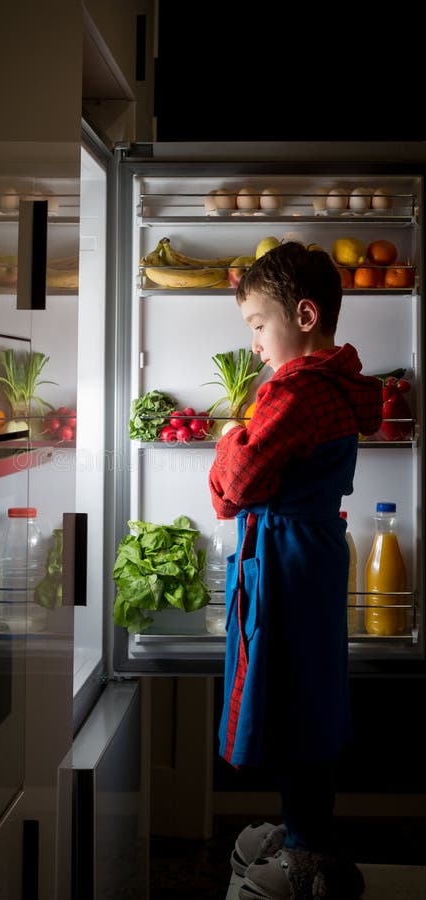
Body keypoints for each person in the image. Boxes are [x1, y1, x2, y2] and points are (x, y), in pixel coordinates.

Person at [208, 241, 382, 898]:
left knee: (292, 695)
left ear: (304, 316)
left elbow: (241, 479)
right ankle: (299, 825)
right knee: (301, 688)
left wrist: (229, 441)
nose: (254, 343)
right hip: (308, 551)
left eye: (258, 325)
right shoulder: (335, 383)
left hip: (284, 554)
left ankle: (306, 848)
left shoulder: (294, 391)